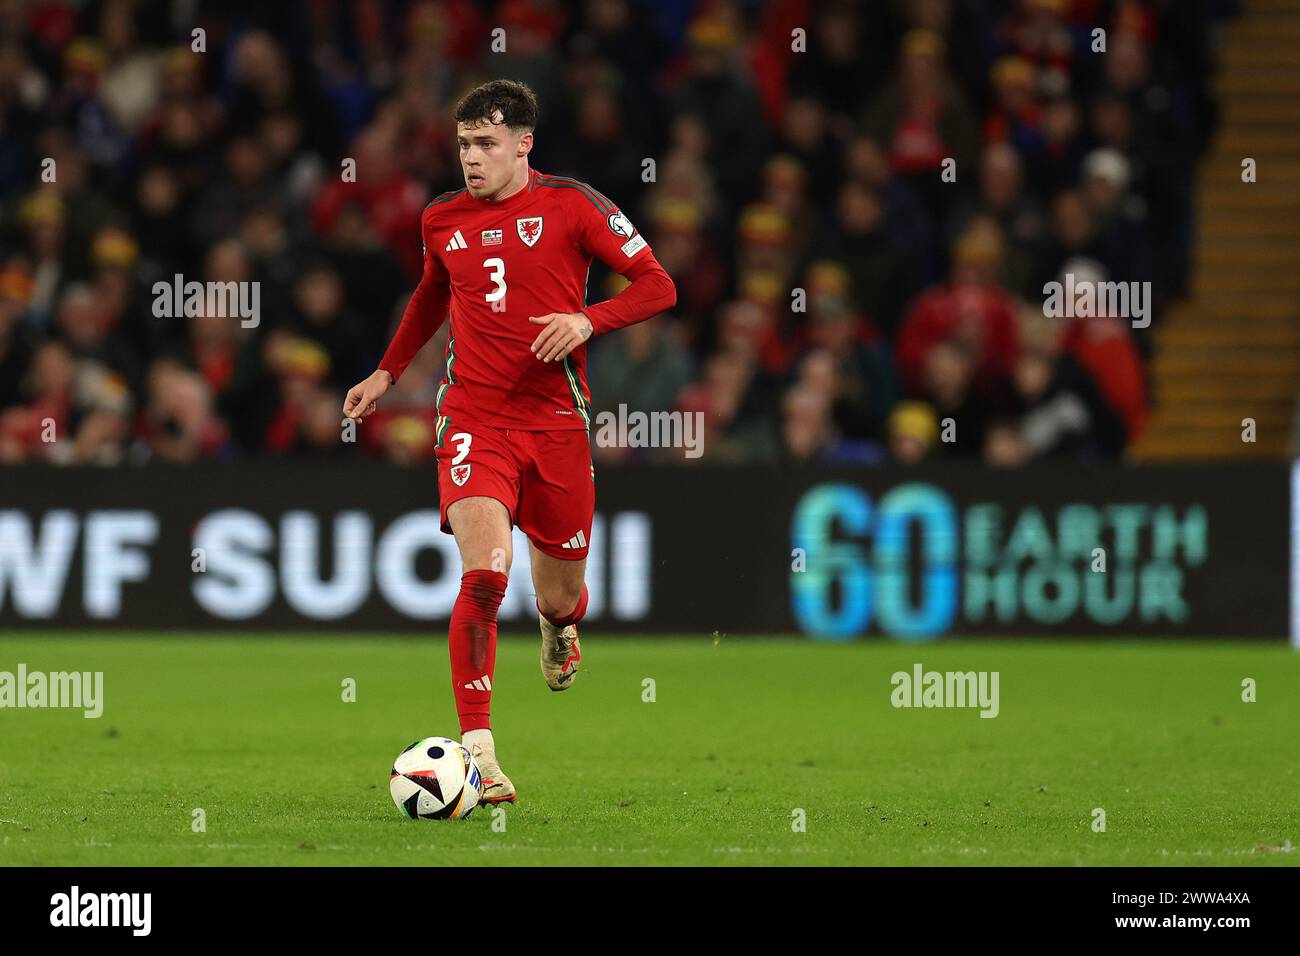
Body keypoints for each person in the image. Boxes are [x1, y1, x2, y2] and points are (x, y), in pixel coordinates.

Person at [342, 80, 676, 804]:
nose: (471, 158)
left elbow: (657, 285)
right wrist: (387, 369)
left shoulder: (573, 205)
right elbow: (434, 291)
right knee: (486, 574)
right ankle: (480, 756)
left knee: (557, 596)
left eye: (486, 144)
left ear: (524, 145)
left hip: (556, 423)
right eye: (464, 144)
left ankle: (561, 627)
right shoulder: (441, 219)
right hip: (473, 417)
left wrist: (589, 320)